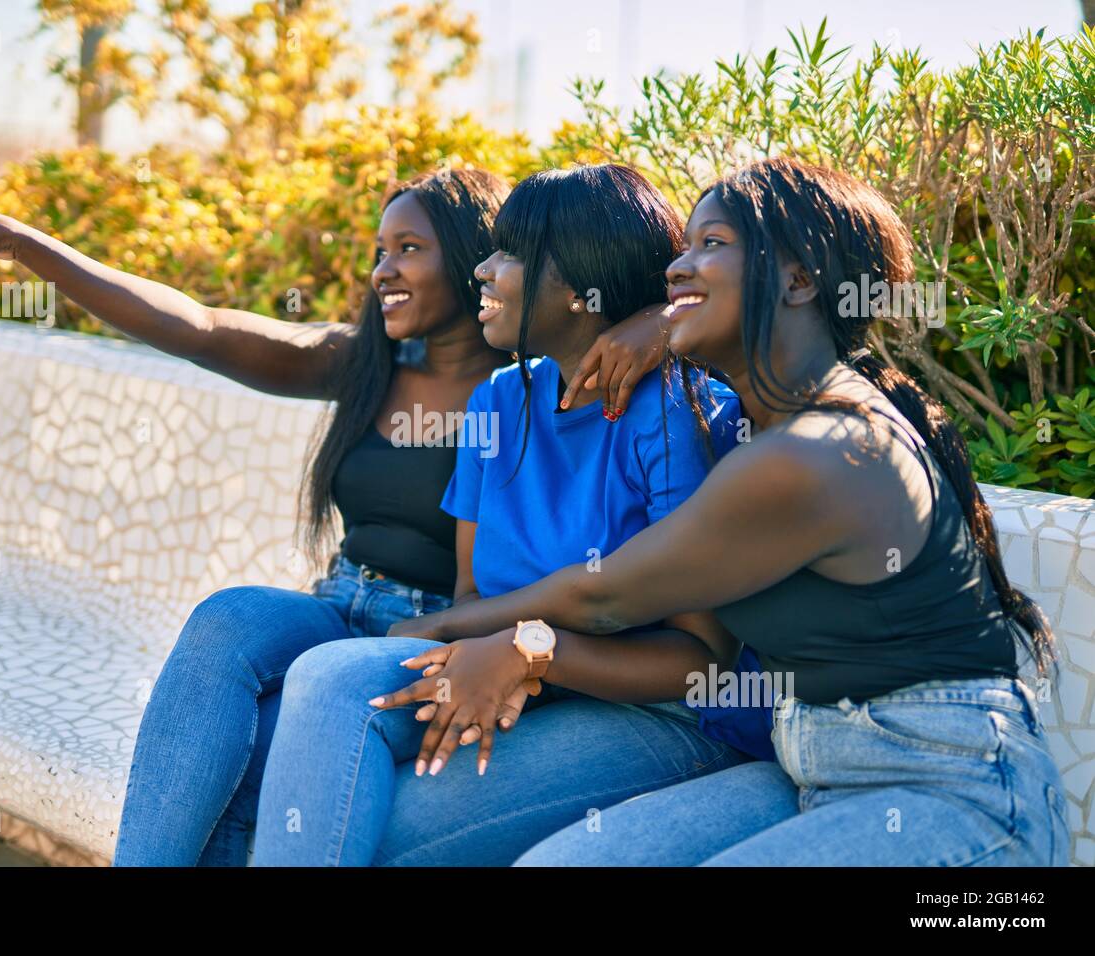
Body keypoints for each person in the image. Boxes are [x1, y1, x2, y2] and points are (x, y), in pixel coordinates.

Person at [0, 160, 668, 865]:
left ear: (474, 255)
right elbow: (195, 326)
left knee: (257, 759)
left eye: (408, 249)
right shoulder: (364, 365)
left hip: (438, 629)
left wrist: (656, 323)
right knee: (229, 619)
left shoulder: (528, 382)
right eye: (377, 251)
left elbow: (642, 298)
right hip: (343, 608)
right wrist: (25, 246)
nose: (382, 271)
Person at [310, 157, 1065, 867]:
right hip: (812, 765)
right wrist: (650, 323)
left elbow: (603, 595)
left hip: (954, 793)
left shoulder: (815, 452)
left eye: (711, 244)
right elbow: (643, 324)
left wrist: (482, 637)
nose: (677, 264)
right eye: (681, 246)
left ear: (798, 280)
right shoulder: (750, 416)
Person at [249, 164, 770, 868]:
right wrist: (494, 665)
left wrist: (531, 663)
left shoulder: (673, 415)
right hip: (515, 669)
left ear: (580, 285)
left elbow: (701, 659)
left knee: (378, 829)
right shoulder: (498, 401)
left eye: (510, 253)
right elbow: (474, 596)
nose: (484, 271)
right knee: (296, 724)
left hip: (651, 714)